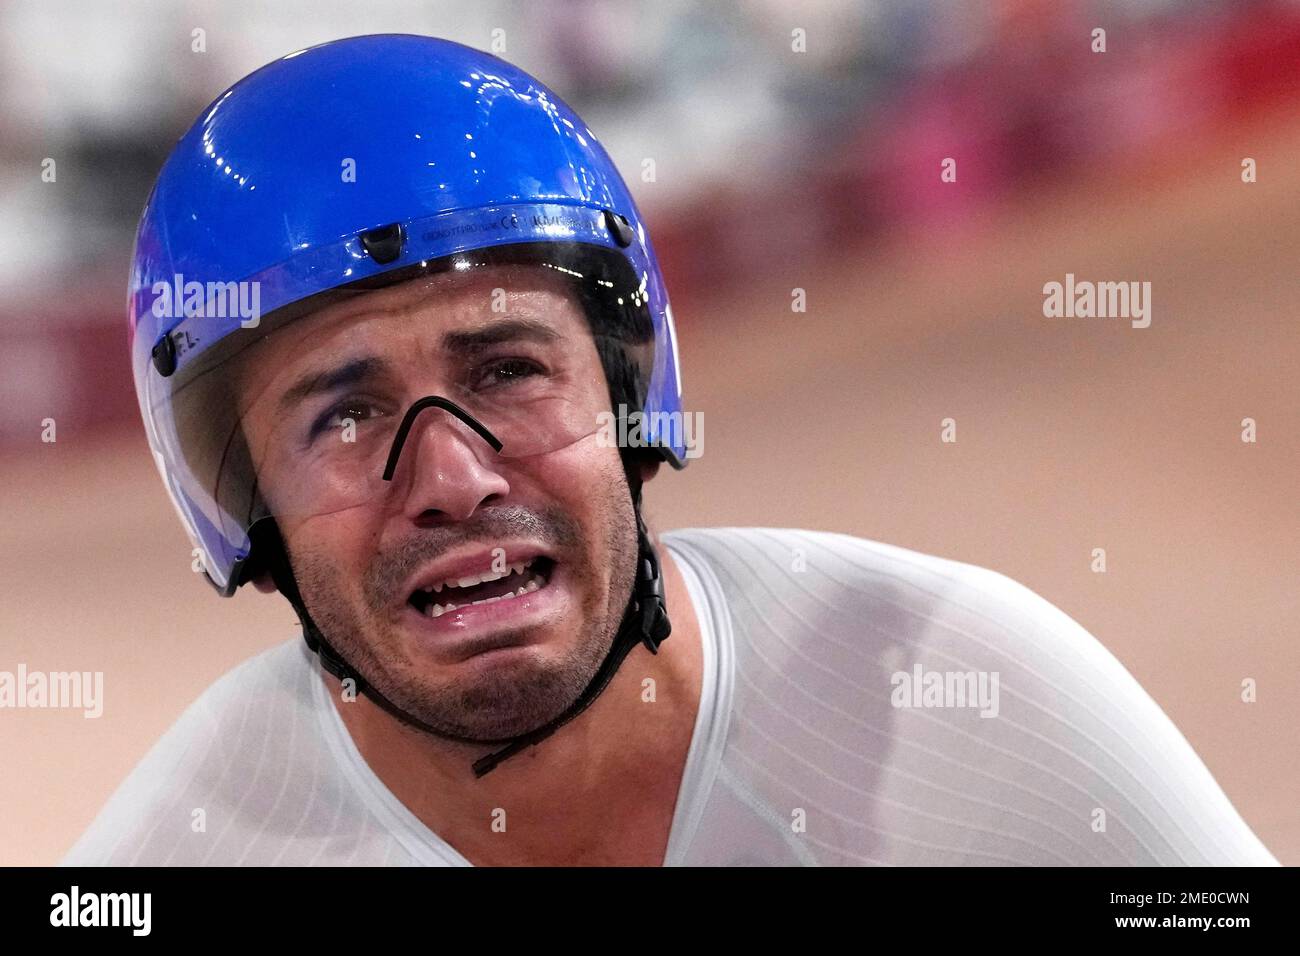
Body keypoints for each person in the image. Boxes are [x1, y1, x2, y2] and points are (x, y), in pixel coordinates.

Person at [63, 34, 1279, 866]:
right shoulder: (177, 848)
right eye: (345, 413)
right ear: (246, 507)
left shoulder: (981, 690)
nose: (454, 475)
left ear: (629, 397)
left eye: (506, 370)